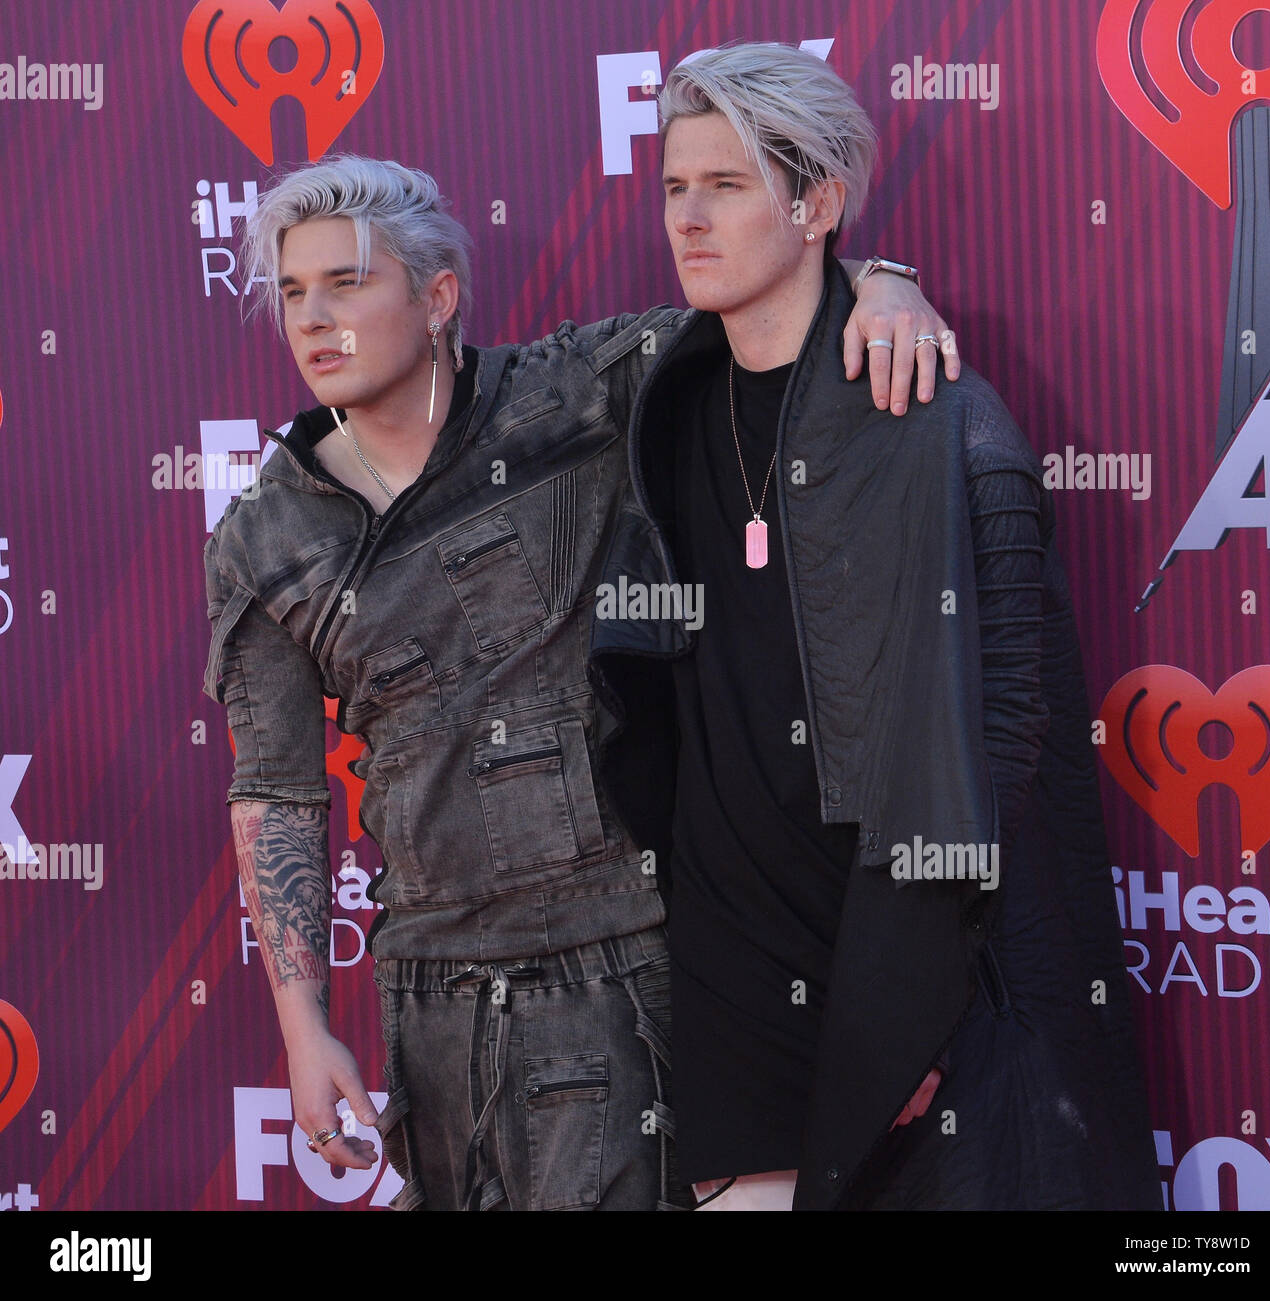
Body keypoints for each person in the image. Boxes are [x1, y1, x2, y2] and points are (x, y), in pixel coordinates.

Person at [201, 152, 957, 1210]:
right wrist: (304, 1025)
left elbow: (762, 306)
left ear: (437, 297)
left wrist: (884, 279)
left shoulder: (569, 395)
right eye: (291, 292)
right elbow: (276, 789)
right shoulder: (262, 533)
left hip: (624, 965)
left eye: (347, 283)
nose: (312, 318)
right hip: (429, 993)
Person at [589, 42, 1163, 1211]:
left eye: (728, 185)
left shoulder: (933, 418)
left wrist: (919, 994)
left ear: (818, 204)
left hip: (897, 963)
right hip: (728, 973)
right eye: (672, 187)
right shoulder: (655, 390)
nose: (687, 219)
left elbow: (1003, 730)